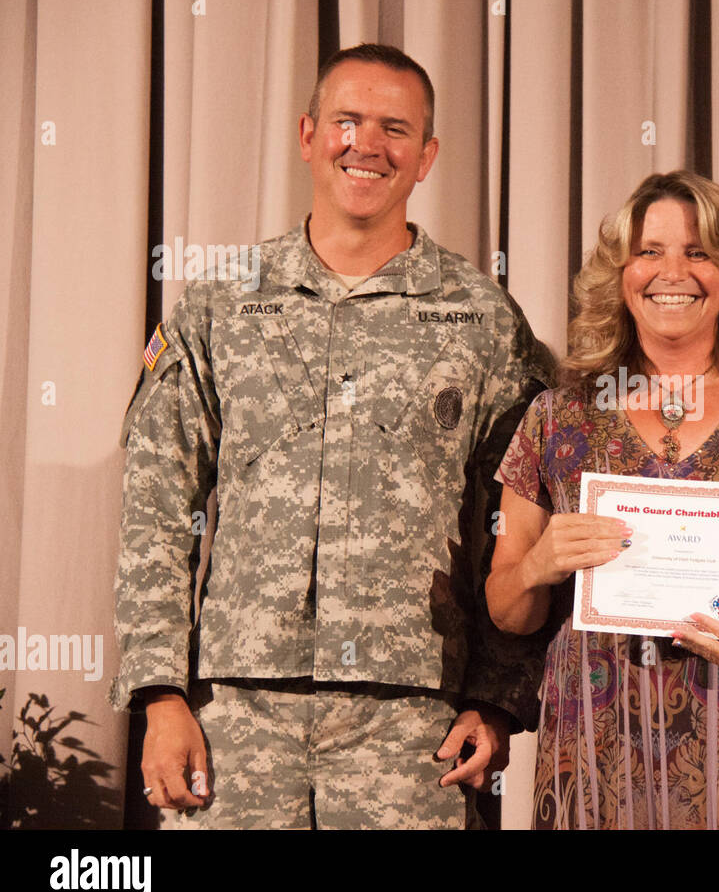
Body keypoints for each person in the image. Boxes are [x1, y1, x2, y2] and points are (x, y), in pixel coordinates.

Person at [111, 44, 552, 828]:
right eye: (347, 121)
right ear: (309, 134)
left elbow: (517, 526)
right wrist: (161, 694)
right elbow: (158, 501)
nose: (367, 145)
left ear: (426, 157)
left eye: (395, 129)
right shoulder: (220, 303)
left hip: (416, 723)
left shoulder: (483, 320)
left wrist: (496, 699)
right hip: (234, 714)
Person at [487, 171, 719, 829]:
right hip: (597, 767)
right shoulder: (558, 418)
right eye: (650, 251)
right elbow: (507, 610)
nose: (674, 271)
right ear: (620, 272)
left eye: (698, 252)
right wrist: (539, 565)